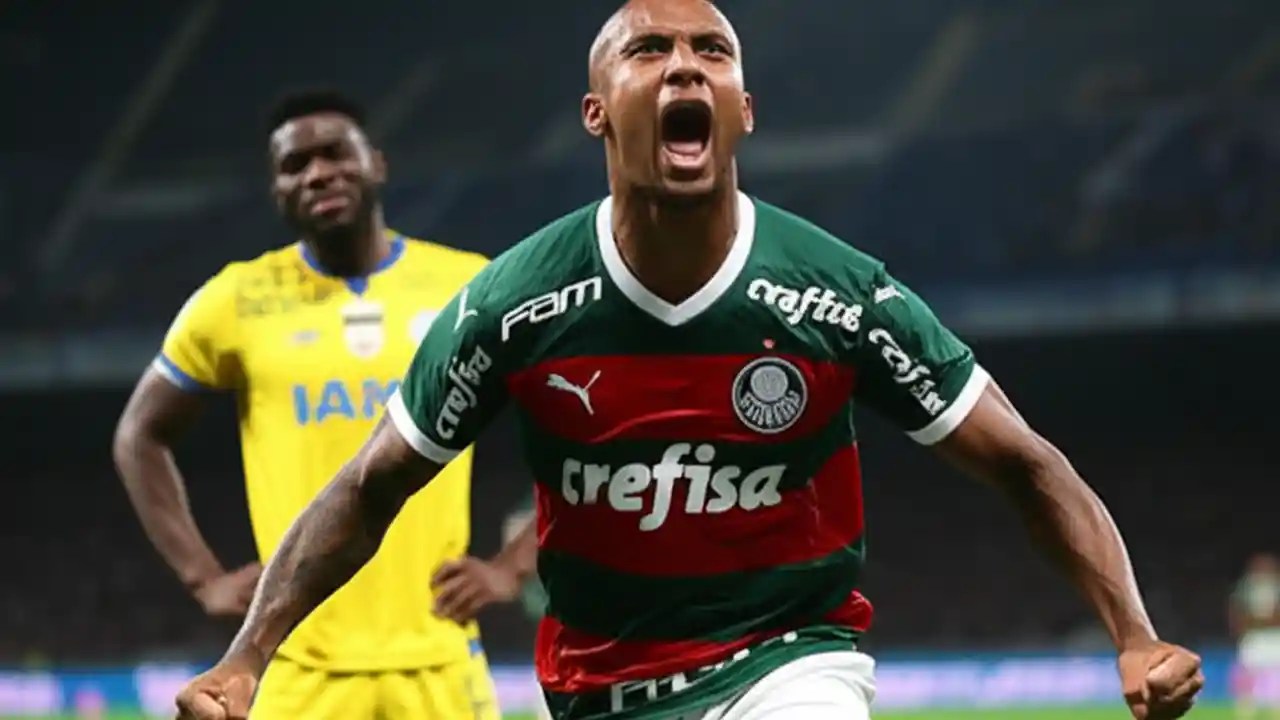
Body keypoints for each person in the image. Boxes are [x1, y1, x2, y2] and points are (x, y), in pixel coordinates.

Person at [172, 3, 1206, 719]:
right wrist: (245, 659)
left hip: (789, 661)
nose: (683, 66)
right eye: (647, 50)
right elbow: (369, 487)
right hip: (599, 687)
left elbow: (1023, 460)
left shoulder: (838, 295)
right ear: (596, 111)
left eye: (712, 50)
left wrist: (1133, 631)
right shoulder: (511, 305)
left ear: (742, 109)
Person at [114, 88, 529, 720]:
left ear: (376, 163)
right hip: (294, 663)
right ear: (277, 190)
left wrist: (514, 566)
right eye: (295, 165)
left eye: (336, 153)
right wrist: (205, 578)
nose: (317, 173)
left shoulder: (466, 286)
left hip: (439, 656)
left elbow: (575, 414)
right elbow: (139, 435)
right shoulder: (236, 299)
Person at [1231, 553, 1280, 719]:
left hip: (1274, 637)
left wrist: (1265, 621)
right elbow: (1237, 613)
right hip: (1253, 637)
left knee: (1275, 671)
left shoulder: (1277, 589)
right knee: (1247, 671)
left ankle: (1276, 707)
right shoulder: (1245, 589)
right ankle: (1246, 707)